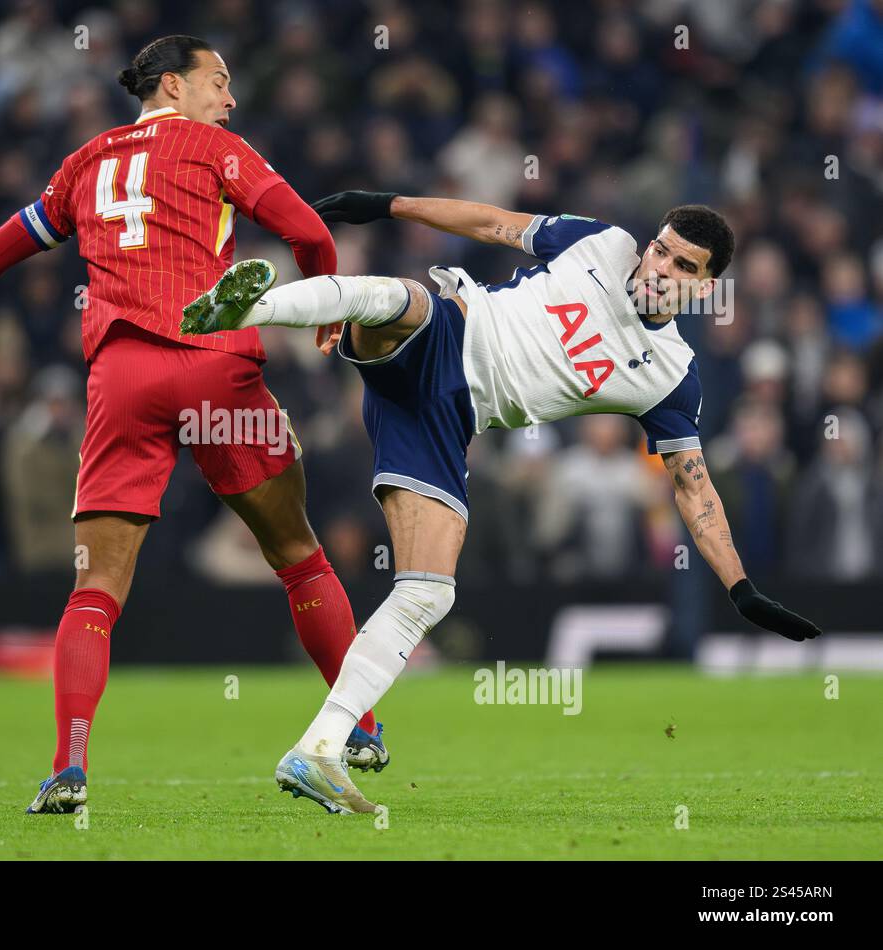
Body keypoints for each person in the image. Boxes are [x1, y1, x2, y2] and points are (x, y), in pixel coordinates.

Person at [181, 190, 823, 813]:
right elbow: (491, 223)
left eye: (683, 266)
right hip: (447, 333)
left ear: (705, 288)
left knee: (429, 592)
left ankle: (318, 748)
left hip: (442, 423)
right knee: (403, 299)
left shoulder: (670, 375)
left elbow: (693, 484)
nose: (659, 267)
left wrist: (740, 588)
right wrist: (387, 205)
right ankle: (242, 308)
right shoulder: (600, 243)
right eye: (661, 250)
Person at [0, 37, 385, 815]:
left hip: (124, 377)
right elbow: (310, 233)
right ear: (175, 86)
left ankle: (67, 769)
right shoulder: (218, 148)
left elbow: (9, 241)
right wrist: (324, 301)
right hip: (217, 365)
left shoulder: (86, 162)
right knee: (297, 554)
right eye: (221, 81)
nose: (231, 99)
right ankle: (363, 728)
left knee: (97, 589)